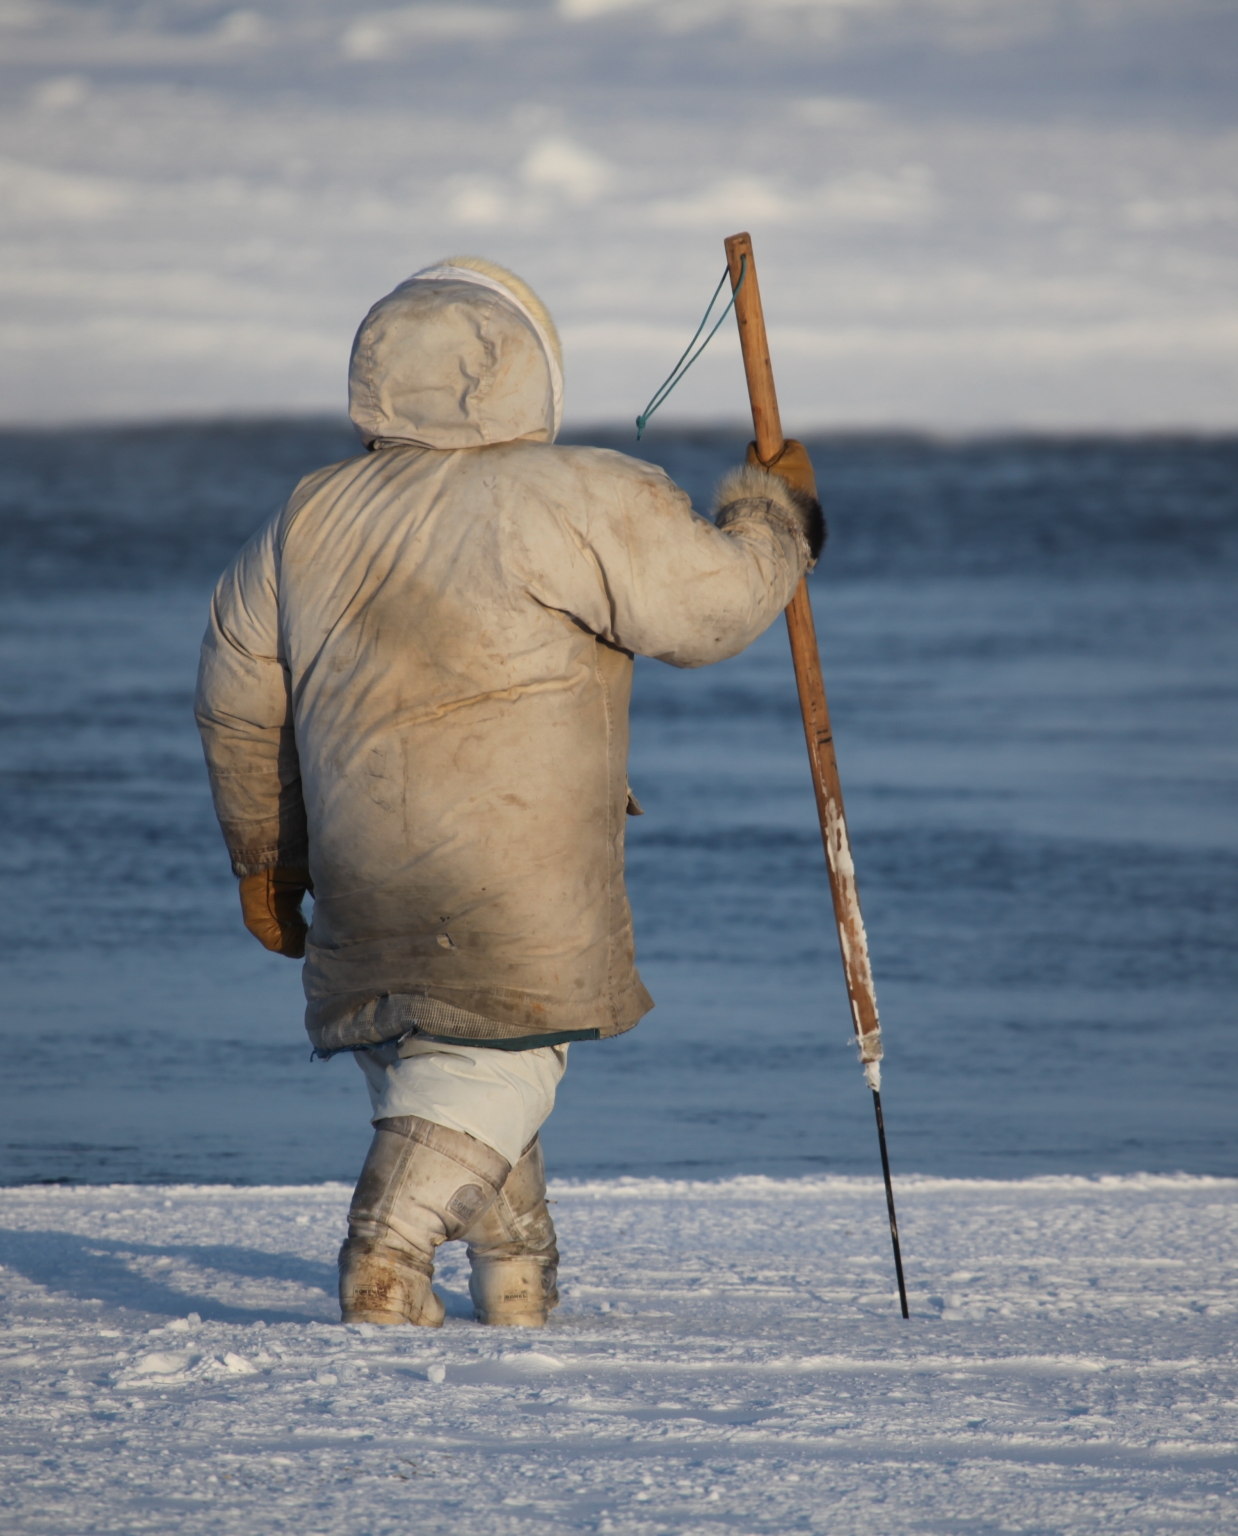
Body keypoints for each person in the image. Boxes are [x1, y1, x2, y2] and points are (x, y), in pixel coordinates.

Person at [193, 258, 823, 1327]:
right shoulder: (576, 493)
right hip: (513, 867)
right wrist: (776, 514)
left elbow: (237, 701)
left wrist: (268, 858)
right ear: (529, 373)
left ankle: (515, 1284)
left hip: (360, 866)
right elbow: (712, 611)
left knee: (443, 1053)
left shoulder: (306, 519)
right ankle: (385, 1256)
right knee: (502, 1060)